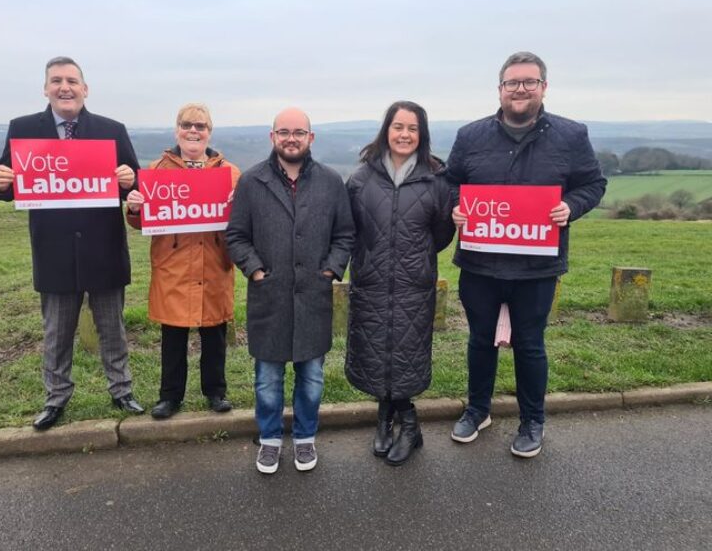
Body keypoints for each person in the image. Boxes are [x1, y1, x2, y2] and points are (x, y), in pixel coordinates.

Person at [445, 51, 606, 457]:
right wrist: (455, 208)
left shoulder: (572, 135)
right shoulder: (470, 136)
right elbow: (450, 183)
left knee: (530, 344)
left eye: (529, 82)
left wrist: (572, 207)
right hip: (480, 263)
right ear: (500, 89)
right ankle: (478, 409)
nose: (520, 89)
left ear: (543, 88)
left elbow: (593, 184)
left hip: (537, 266)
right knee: (480, 340)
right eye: (512, 83)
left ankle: (533, 421)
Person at [0, 56, 144, 431]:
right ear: (46, 89)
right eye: (56, 80)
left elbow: (138, 186)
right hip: (54, 251)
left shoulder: (112, 130)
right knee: (56, 333)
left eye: (72, 81)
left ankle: (121, 390)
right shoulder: (23, 129)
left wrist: (129, 181)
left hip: (103, 249)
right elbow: (3, 188)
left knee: (112, 328)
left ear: (85, 89)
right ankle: (56, 398)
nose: (65, 87)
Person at [226, 107, 355, 474]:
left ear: (311, 138)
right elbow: (236, 236)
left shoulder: (331, 182)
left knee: (311, 377)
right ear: (273, 137)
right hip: (269, 295)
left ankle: (304, 438)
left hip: (313, 296)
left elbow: (345, 234)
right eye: (284, 131)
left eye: (299, 132)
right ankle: (268, 440)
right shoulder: (252, 182)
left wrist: (330, 269)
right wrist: (255, 271)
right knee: (267, 378)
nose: (291, 138)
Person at [345, 101, 455, 466]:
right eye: (398, 126)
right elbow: (350, 231)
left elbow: (440, 235)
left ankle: (407, 425)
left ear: (421, 135)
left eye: (412, 128)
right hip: (372, 282)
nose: (404, 134)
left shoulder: (436, 181)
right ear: (386, 131)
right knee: (379, 352)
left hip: (413, 285)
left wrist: (411, 259)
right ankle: (386, 417)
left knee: (405, 355)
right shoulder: (361, 179)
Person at [125, 103, 241, 419]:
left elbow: (242, 219)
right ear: (177, 129)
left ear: (209, 133)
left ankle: (216, 392)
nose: (193, 131)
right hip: (174, 265)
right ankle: (170, 396)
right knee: (173, 336)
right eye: (187, 125)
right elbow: (143, 221)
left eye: (200, 126)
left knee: (214, 333)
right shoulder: (158, 170)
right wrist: (135, 209)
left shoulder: (229, 173)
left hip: (214, 263)